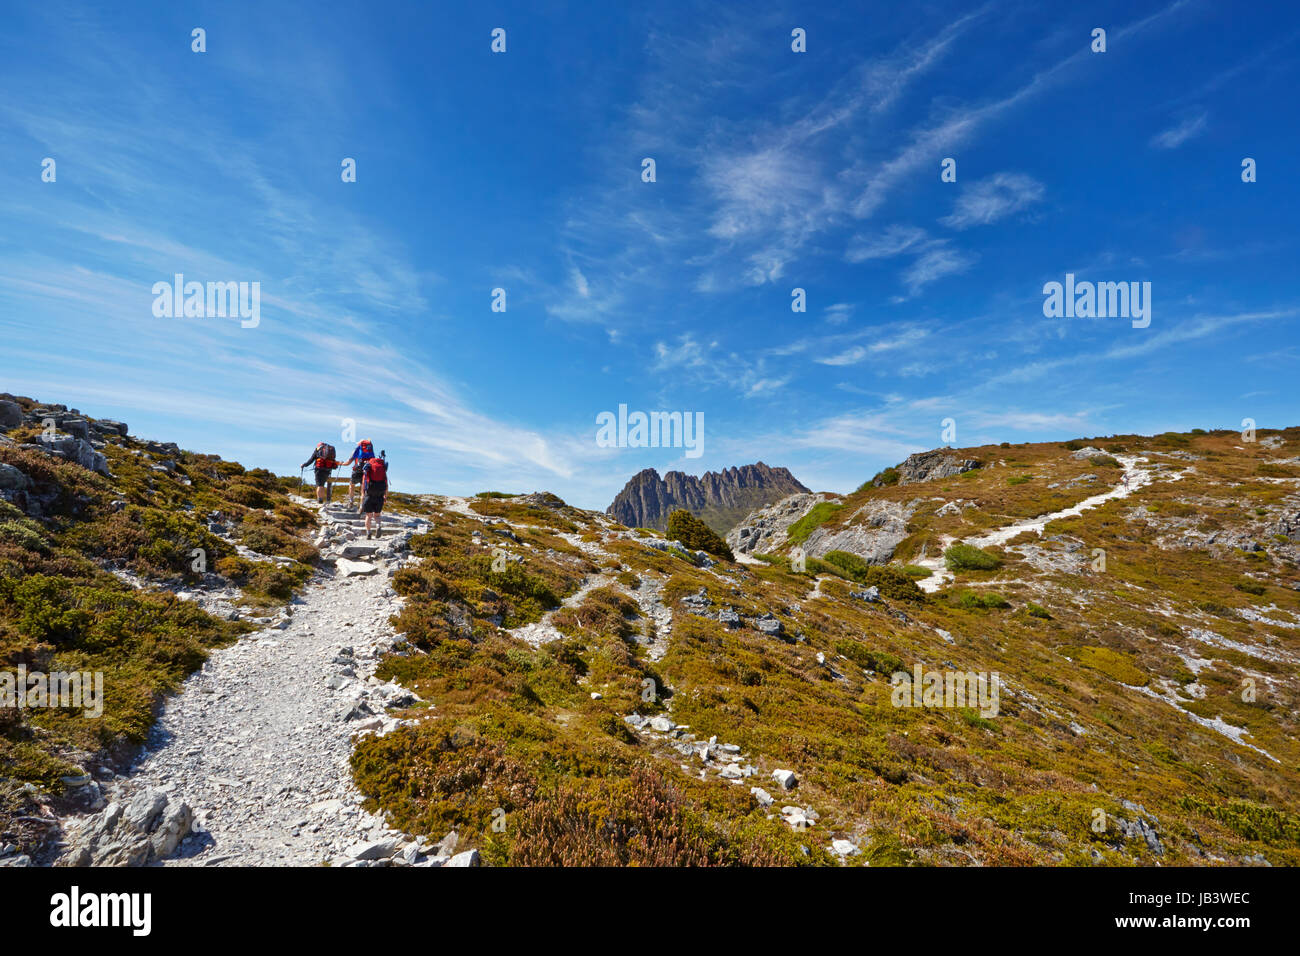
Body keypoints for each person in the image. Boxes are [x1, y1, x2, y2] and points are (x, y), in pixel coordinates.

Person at [339, 439, 378, 507]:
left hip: (357, 470)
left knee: (352, 484)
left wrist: (341, 464)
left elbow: (348, 463)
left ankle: (351, 501)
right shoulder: (371, 451)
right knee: (363, 489)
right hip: (367, 471)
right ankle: (362, 506)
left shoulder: (357, 449)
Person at [299, 441, 340, 505]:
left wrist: (304, 465)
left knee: (319, 485)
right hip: (328, 469)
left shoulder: (318, 450)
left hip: (319, 469)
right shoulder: (330, 450)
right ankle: (321, 499)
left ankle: (320, 500)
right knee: (322, 484)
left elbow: (311, 459)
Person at [359, 451, 389, 538]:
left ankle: (368, 533)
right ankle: (378, 526)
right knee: (377, 515)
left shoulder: (368, 470)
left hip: (369, 495)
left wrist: (362, 496)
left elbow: (364, 485)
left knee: (368, 515)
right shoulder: (383, 471)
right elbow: (386, 485)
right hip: (379, 495)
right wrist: (385, 496)